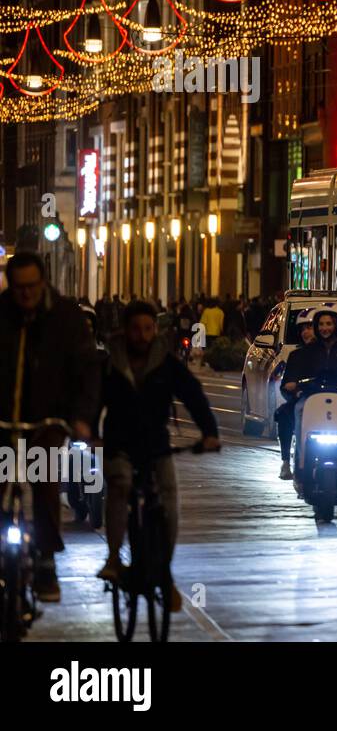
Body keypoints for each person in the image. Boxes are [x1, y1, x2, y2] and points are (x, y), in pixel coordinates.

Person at [97, 301, 221, 604]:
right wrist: (86, 428)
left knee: (168, 500)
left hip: (156, 443)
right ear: (125, 330)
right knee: (120, 486)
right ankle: (113, 558)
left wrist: (209, 433)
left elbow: (191, 393)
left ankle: (164, 573)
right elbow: (92, 397)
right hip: (120, 442)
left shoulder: (165, 362)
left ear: (156, 330)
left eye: (148, 329)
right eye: (136, 329)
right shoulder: (110, 362)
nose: (142, 335)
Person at [0, 252, 100, 601]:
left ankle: (45, 560)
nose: (25, 295)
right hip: (4, 421)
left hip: (48, 419)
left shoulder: (65, 318)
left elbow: (87, 370)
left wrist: (82, 418)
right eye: (18, 288)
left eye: (31, 286)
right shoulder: (2, 315)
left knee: (44, 481)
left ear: (42, 282)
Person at [280, 305, 337, 480]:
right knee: (291, 412)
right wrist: (292, 384)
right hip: (310, 399)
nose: (325, 328)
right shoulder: (305, 352)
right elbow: (290, 379)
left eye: (329, 324)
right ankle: (295, 462)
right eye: (321, 324)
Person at [275, 309, 317, 479]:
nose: (306, 332)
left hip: (334, 402)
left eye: (310, 327)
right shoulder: (296, 355)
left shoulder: (335, 351)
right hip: (304, 400)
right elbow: (286, 385)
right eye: (303, 329)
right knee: (283, 414)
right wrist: (295, 389)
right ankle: (286, 461)